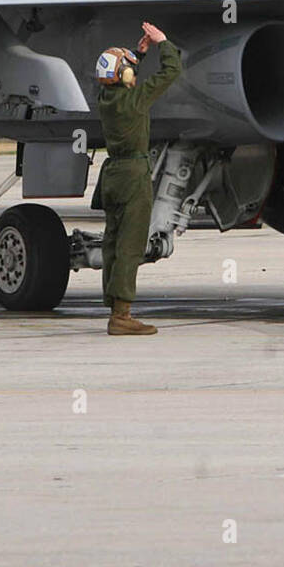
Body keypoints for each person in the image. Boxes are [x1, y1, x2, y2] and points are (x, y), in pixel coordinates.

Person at [94, 22, 183, 335]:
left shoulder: (106, 99)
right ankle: (122, 316)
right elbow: (171, 71)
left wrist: (137, 55)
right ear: (125, 77)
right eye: (130, 71)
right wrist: (163, 43)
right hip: (133, 176)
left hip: (113, 174)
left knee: (113, 243)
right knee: (130, 246)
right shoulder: (134, 101)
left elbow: (119, 78)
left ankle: (113, 306)